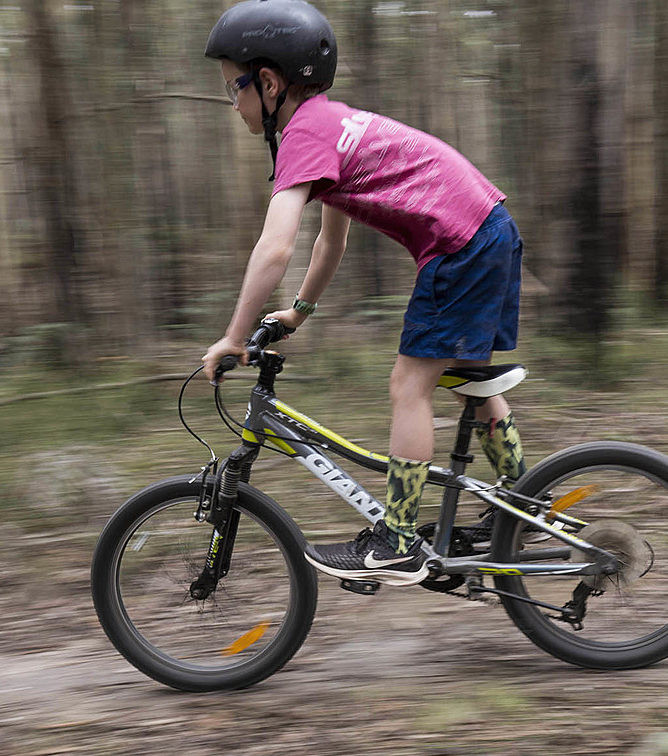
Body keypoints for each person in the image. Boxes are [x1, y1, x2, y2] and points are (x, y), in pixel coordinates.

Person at [200, 0, 525, 583]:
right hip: (489, 229)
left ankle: (399, 538)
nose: (234, 104)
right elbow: (331, 242)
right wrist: (297, 313)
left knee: (409, 385)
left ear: (269, 83)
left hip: (460, 247)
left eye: (234, 90)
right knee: (465, 377)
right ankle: (521, 502)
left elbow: (276, 247)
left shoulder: (303, 135)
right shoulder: (330, 124)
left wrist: (232, 336)